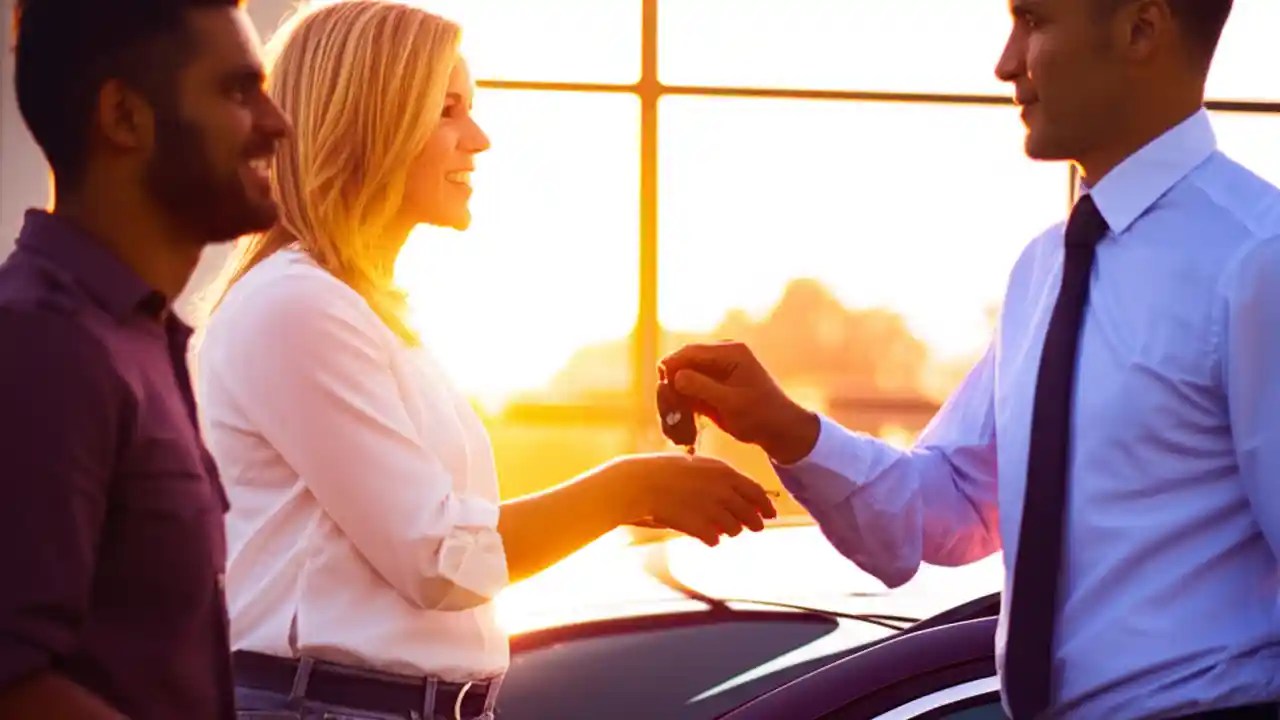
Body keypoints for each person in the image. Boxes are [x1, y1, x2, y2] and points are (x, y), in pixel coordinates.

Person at [661, 0, 1280, 718]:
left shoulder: (1258, 259)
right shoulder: (1043, 269)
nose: (1005, 63)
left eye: (1035, 21)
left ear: (1141, 29)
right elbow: (953, 507)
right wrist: (786, 428)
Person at [193, 2, 777, 719]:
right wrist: (627, 490)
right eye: (448, 110)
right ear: (367, 119)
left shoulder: (365, 314)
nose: (479, 138)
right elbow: (437, 557)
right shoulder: (298, 305)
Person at [0, 0, 291, 718]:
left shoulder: (134, 338)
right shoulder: (46, 345)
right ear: (125, 117)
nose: (276, 122)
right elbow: (13, 679)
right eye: (237, 91)